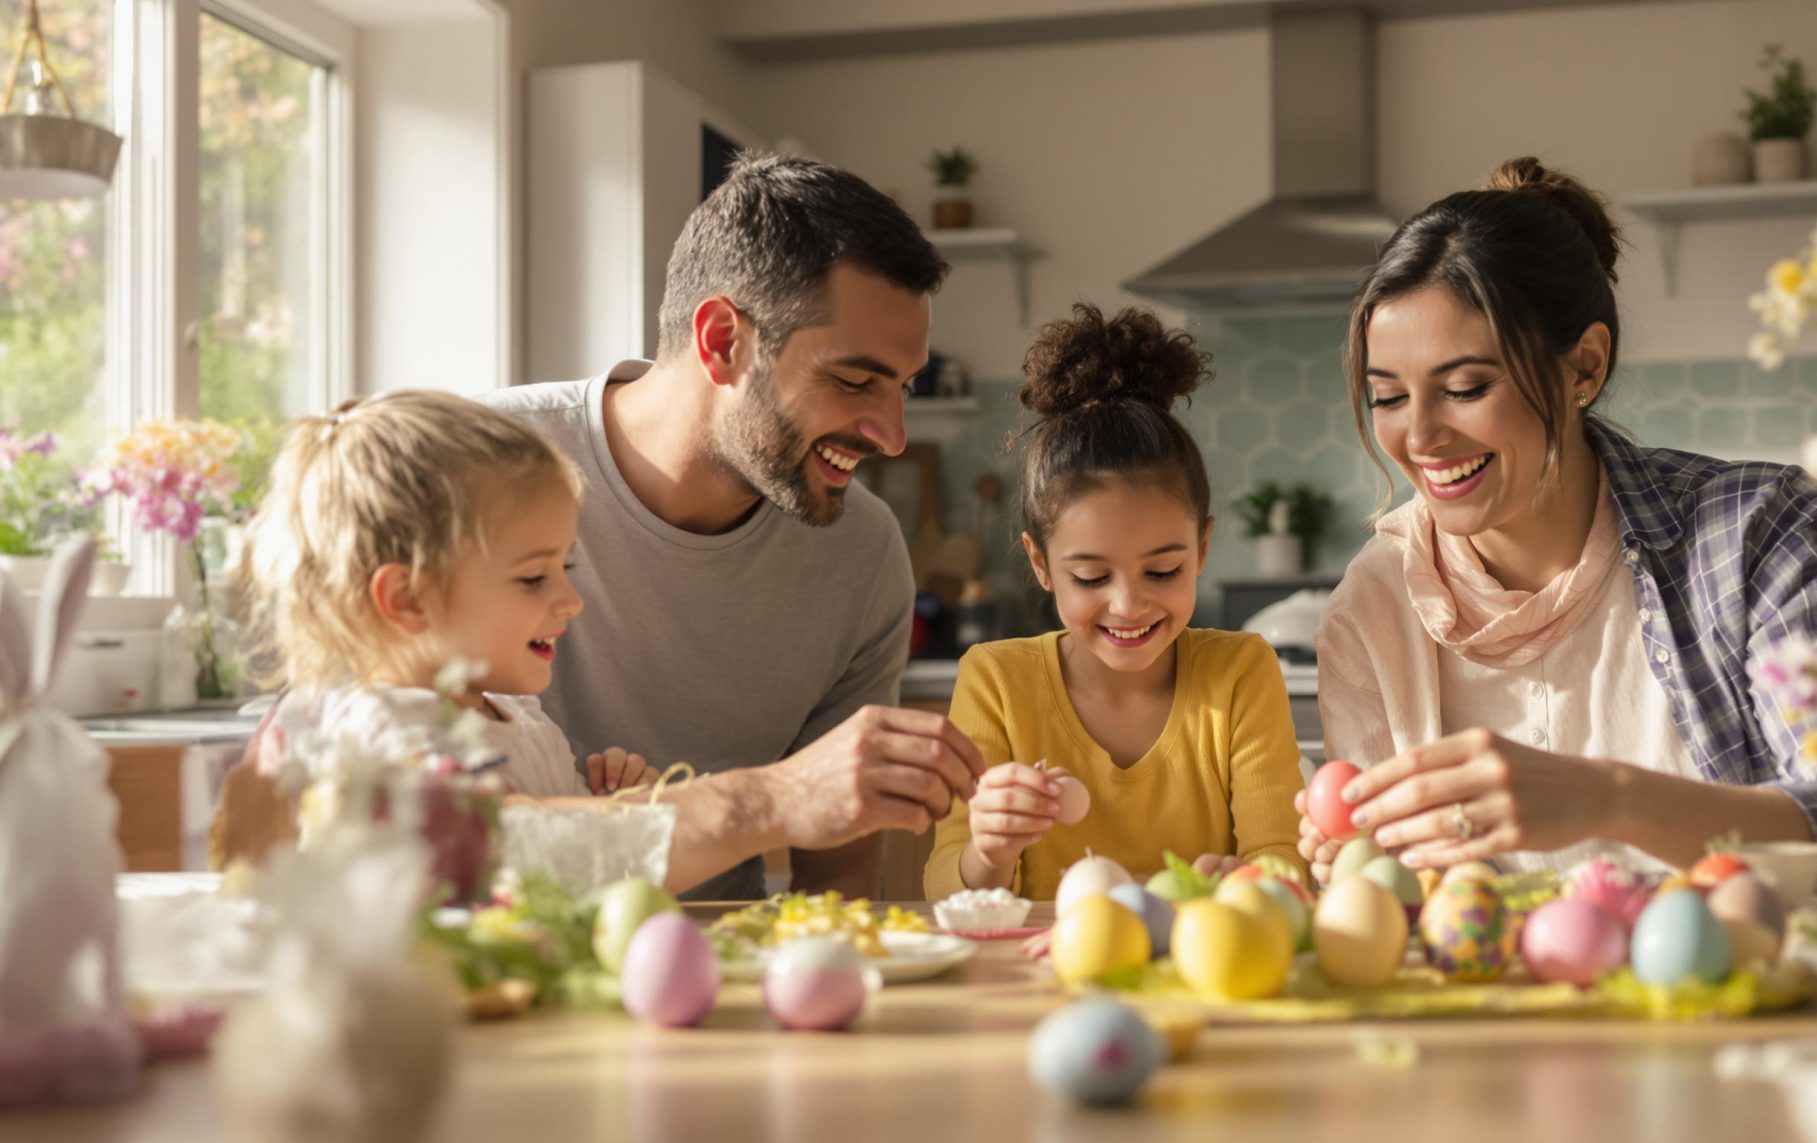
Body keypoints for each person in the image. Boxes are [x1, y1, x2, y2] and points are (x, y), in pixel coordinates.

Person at [1297, 157, 1817, 888]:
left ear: (1584, 366)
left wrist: (1608, 799)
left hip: (1751, 994)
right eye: (1388, 397)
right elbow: (1397, 905)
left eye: (1465, 387)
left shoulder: (1762, 534)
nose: (1420, 438)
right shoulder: (1374, 606)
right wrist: (1356, 865)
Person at [479, 150, 984, 899]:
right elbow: (413, 840)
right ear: (722, 341)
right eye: (855, 380)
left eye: (903, 386)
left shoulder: (863, 554)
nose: (892, 435)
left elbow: (837, 887)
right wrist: (772, 796)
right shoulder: (472, 470)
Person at [925, 304, 1307, 901]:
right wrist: (989, 851)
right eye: (1091, 577)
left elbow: (1282, 857)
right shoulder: (996, 682)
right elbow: (949, 892)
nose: (1129, 605)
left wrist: (1252, 881)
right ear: (1040, 564)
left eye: (1162, 570)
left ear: (1202, 547)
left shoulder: (1239, 672)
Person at [235, 391, 647, 800]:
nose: (572, 601)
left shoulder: (524, 719)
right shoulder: (384, 735)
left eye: (566, 568)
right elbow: (517, 843)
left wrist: (612, 802)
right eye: (534, 578)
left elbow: (576, 858)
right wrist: (638, 825)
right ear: (408, 599)